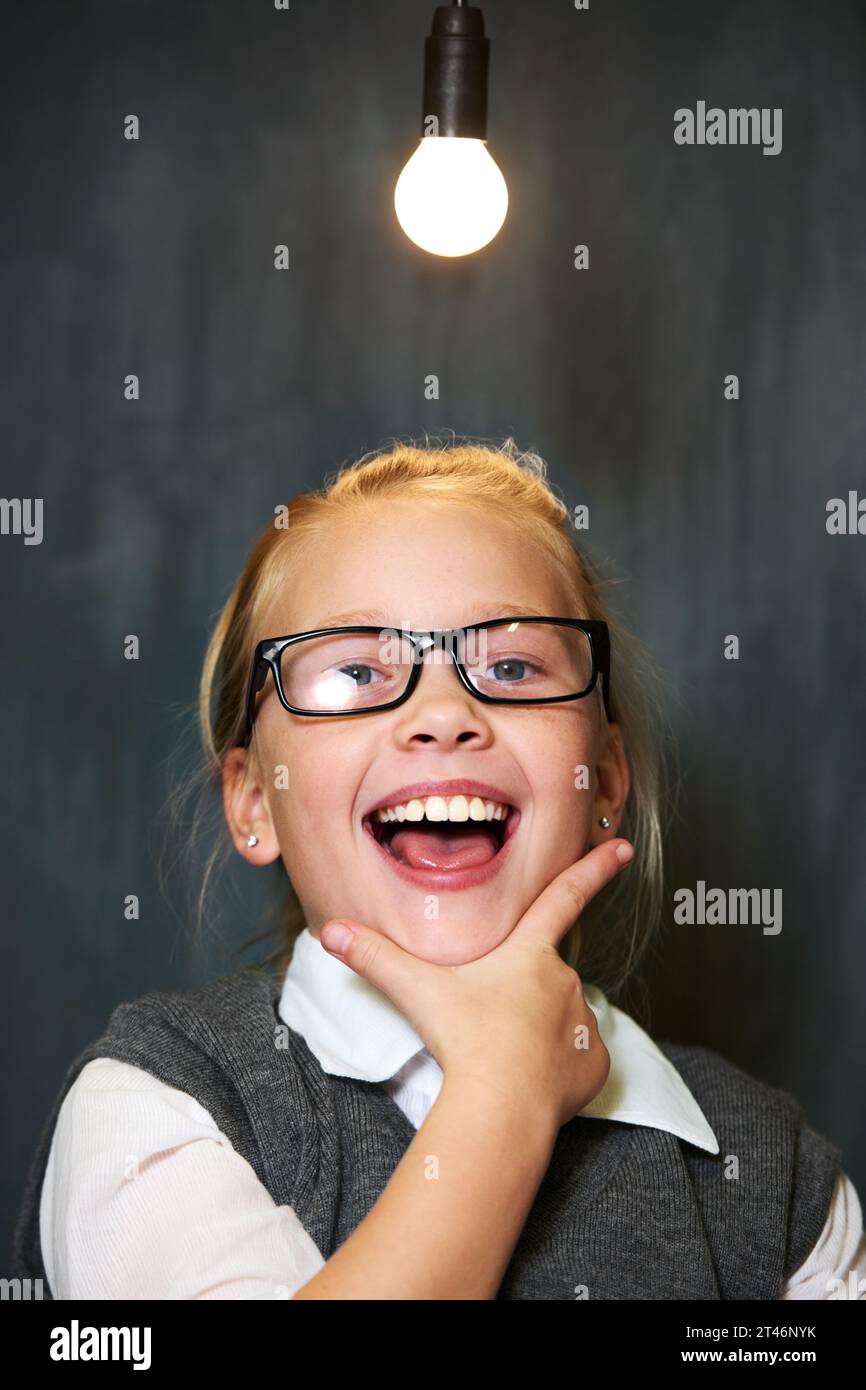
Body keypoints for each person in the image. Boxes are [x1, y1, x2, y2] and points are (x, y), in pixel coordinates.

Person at [13, 439, 866, 1299]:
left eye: (510, 666)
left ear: (604, 780)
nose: (443, 714)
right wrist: (504, 1099)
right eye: (354, 670)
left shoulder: (774, 1180)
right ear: (254, 803)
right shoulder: (154, 1104)